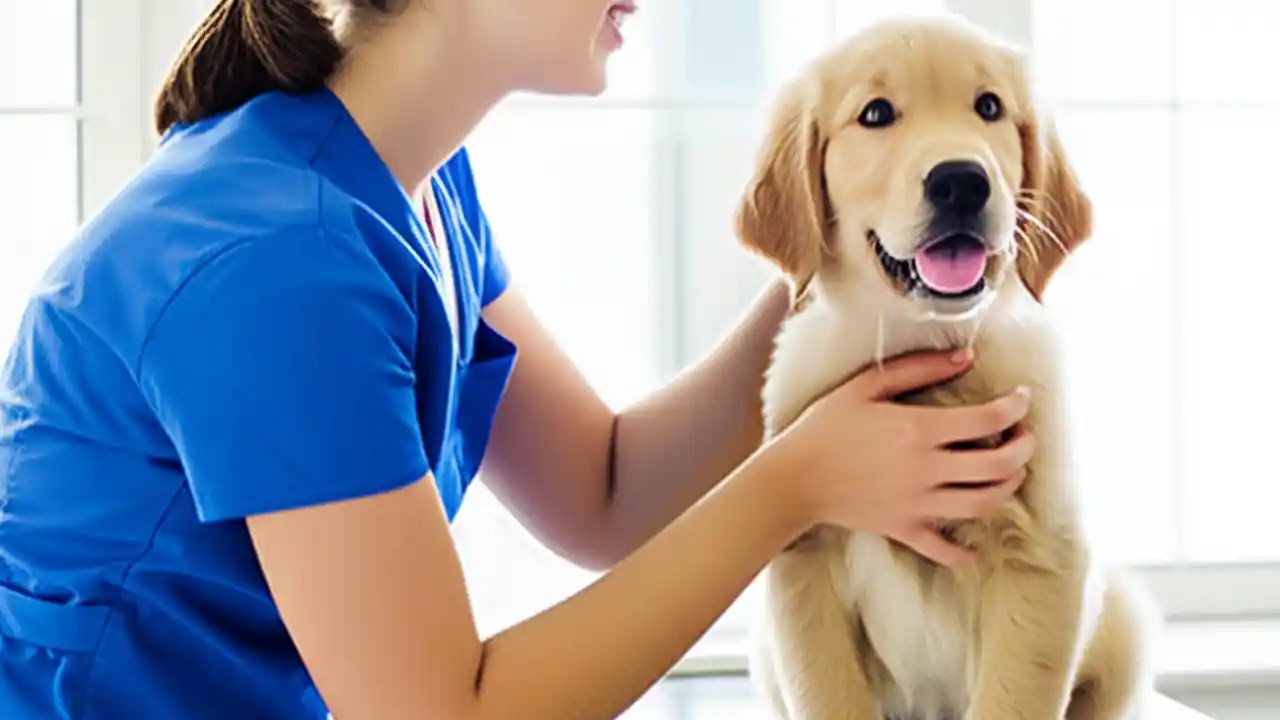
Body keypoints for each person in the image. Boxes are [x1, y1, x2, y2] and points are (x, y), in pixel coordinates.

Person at [0, 1, 1035, 717]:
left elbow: (605, 493)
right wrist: (798, 482)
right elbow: (441, 713)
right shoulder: (277, 259)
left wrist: (843, 248)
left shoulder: (416, 188)